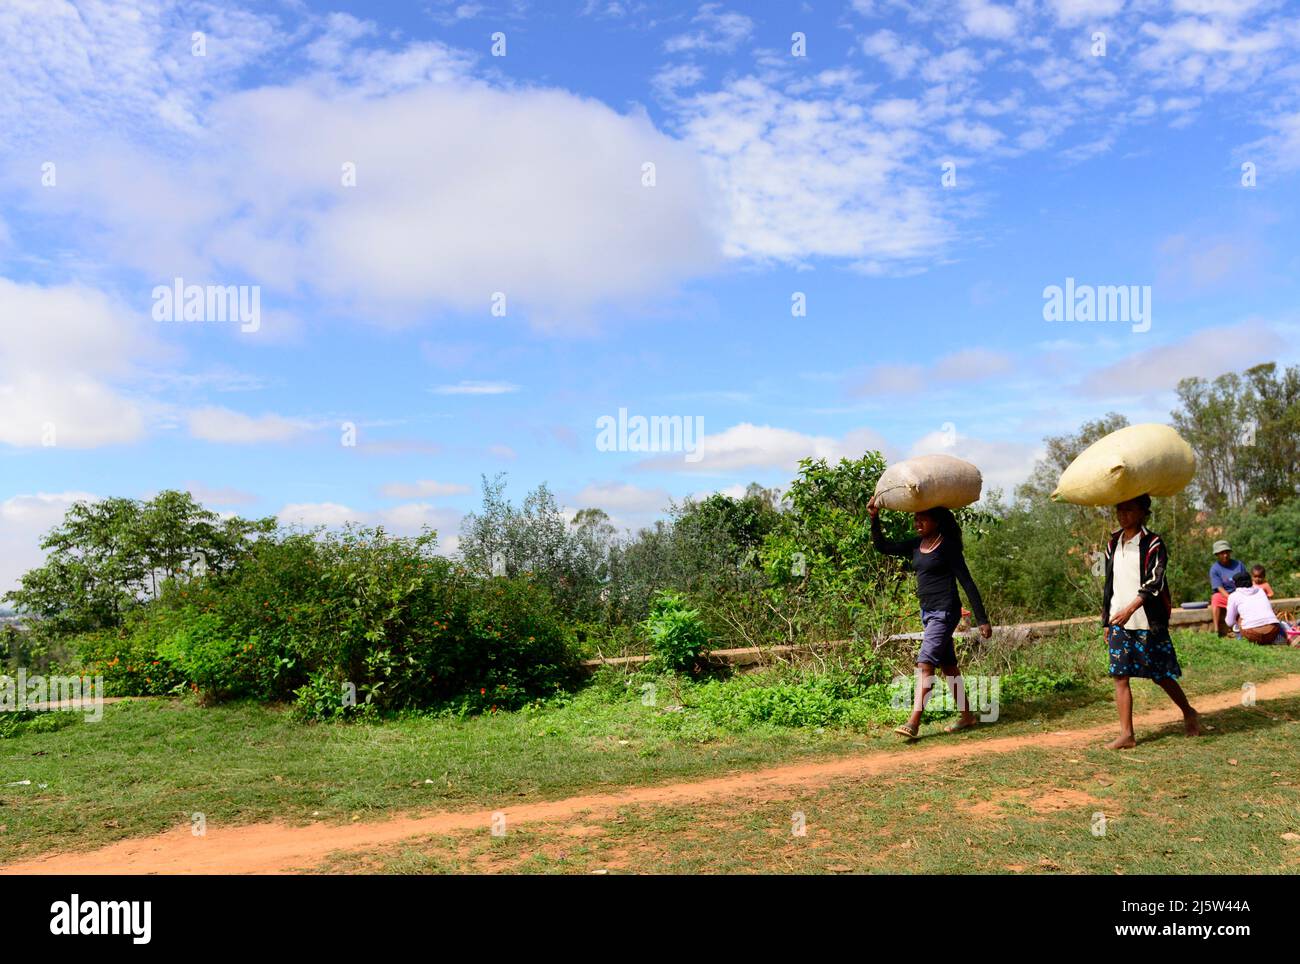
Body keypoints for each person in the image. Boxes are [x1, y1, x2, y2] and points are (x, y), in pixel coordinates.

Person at [866, 497, 992, 740]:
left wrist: (982, 618)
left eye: (922, 518)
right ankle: (967, 717)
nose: (917, 522)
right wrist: (874, 518)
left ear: (937, 520)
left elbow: (967, 582)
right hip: (928, 613)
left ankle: (913, 722)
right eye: (915, 518)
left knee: (925, 662)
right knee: (948, 666)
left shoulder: (948, 547)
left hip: (945, 612)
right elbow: (883, 547)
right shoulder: (916, 544)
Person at [1103, 494, 1200, 749]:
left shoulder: (1153, 543)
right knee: (1120, 676)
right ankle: (1127, 734)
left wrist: (1130, 608)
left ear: (1143, 512)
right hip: (1119, 622)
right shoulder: (1113, 543)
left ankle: (1189, 711)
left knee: (1161, 675)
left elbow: (1154, 582)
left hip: (1147, 621)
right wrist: (1107, 620)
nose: (1123, 514)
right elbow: (1109, 585)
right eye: (1119, 509)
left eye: (1129, 509)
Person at [1225, 570, 1297, 645]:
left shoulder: (1234, 596)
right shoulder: (1260, 590)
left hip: (1252, 634)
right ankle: (1277, 639)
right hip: (1272, 631)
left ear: (1235, 583)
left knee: (1239, 617)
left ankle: (1240, 639)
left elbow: (1229, 622)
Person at [1209, 540, 1248, 636]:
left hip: (1240, 594)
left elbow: (1246, 581)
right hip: (1226, 596)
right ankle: (1216, 630)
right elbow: (1219, 588)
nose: (1225, 555)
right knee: (1215, 598)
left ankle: (1245, 628)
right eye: (1222, 553)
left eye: (1227, 552)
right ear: (1217, 555)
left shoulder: (1239, 565)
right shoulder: (1215, 569)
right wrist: (1230, 598)